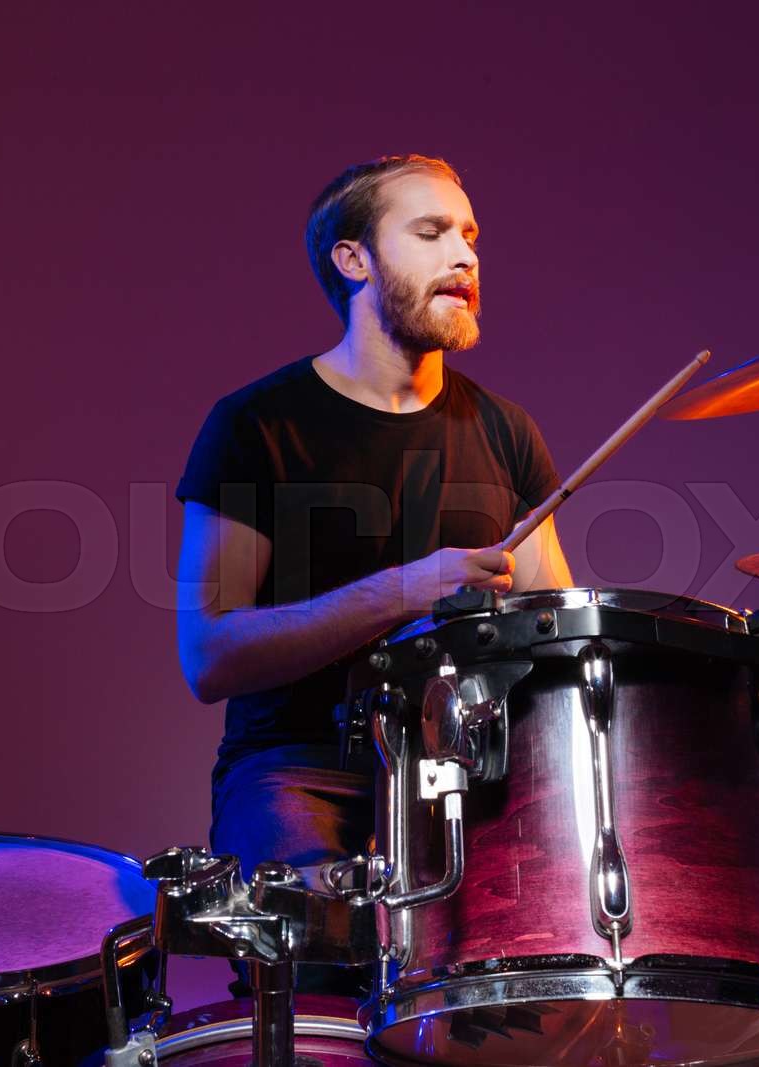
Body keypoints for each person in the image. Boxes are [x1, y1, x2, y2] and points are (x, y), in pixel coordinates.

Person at [173, 154, 573, 991]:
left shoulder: (506, 432)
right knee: (326, 952)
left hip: (468, 776)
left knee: (541, 967)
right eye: (430, 233)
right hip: (300, 765)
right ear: (352, 259)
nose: (465, 257)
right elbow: (209, 654)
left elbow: (552, 636)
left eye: (470, 237)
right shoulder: (256, 425)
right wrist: (405, 587)